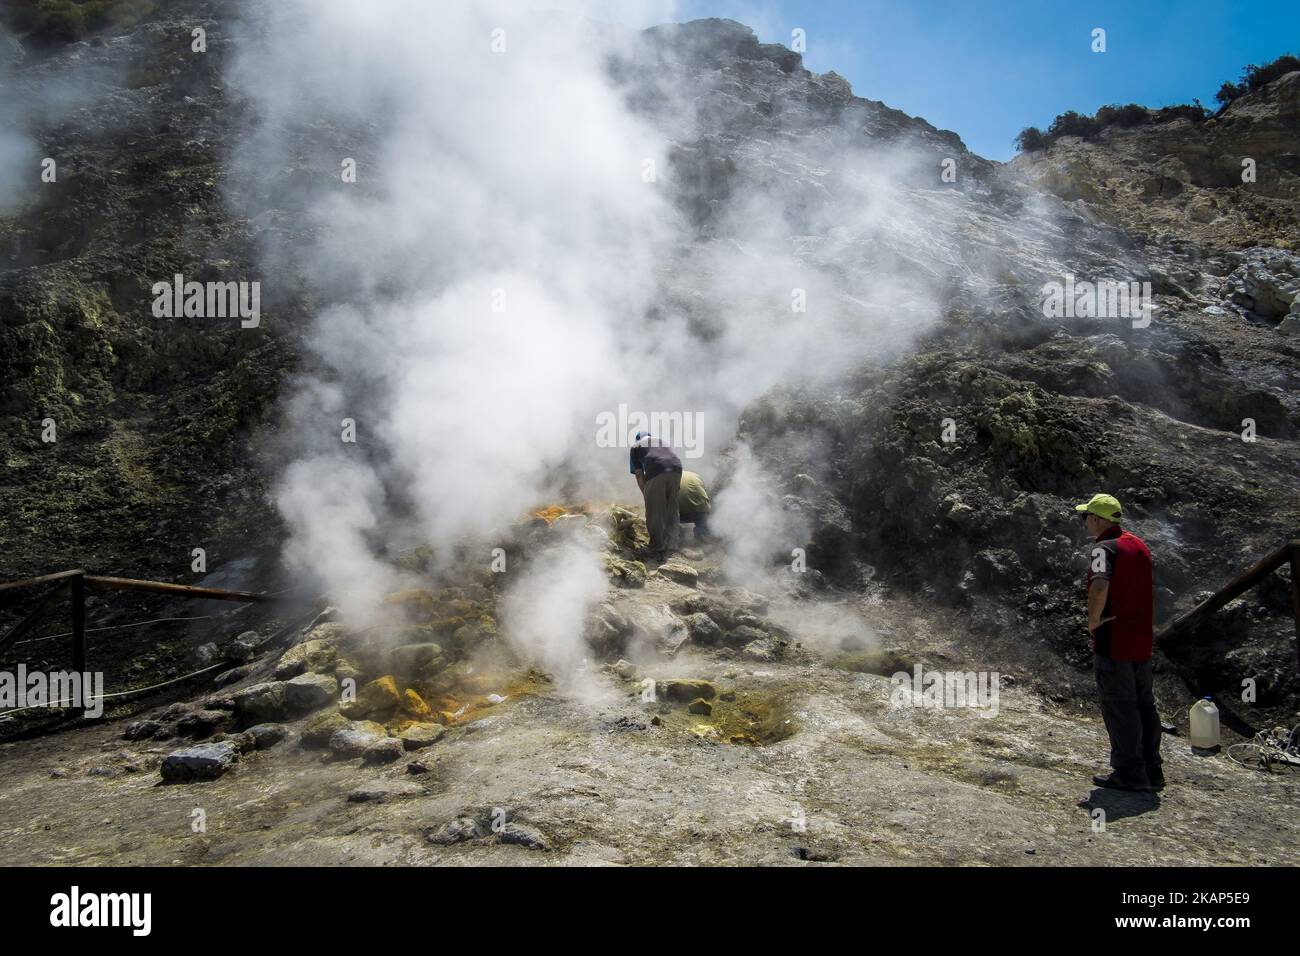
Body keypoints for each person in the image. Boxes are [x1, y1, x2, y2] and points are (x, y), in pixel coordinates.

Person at [1076, 493, 1162, 792]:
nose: (1084, 521)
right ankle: (1152, 769)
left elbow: (1100, 585)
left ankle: (1129, 772)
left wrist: (1093, 620)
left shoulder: (1104, 548)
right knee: (1144, 704)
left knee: (1119, 706)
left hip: (1115, 640)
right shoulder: (1138, 544)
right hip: (1140, 639)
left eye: (1086, 516)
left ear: (1097, 519)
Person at [629, 432, 681, 558]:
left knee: (655, 510)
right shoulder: (663, 441)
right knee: (672, 507)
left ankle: (656, 547)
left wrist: (646, 494)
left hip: (657, 470)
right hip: (677, 469)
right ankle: (672, 544)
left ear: (638, 439)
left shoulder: (636, 446)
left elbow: (639, 474)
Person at [678, 470, 711, 540]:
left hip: (677, 513)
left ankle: (676, 533)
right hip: (698, 511)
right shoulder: (696, 475)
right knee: (703, 518)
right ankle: (701, 534)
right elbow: (704, 495)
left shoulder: (666, 478)